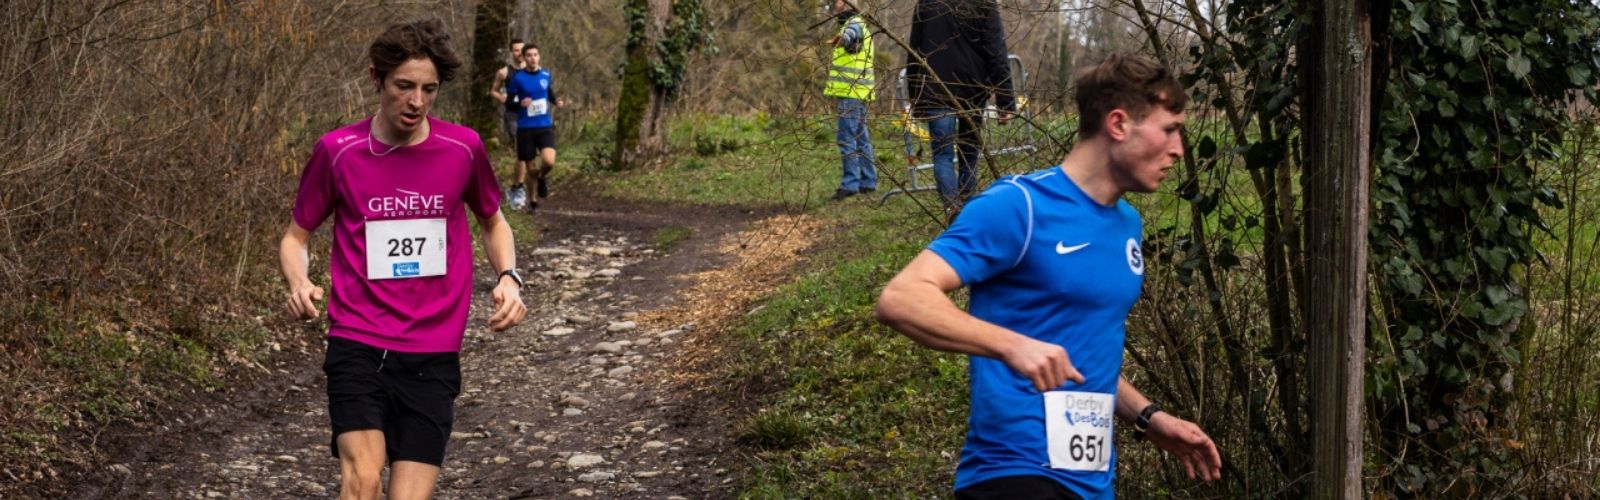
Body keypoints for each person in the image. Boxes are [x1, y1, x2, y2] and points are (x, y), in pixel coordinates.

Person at [875, 53, 1221, 499]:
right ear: (1118, 124)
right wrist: (1012, 344)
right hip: (1014, 475)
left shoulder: (1126, 225)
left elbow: (1078, 357)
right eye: (1170, 130)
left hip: (1090, 483)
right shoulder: (1019, 207)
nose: (1179, 149)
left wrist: (1149, 418)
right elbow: (902, 297)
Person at [278, 19, 528, 500]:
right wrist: (297, 281)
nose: (416, 101)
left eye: (429, 89)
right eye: (404, 86)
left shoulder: (462, 148)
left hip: (433, 350)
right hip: (358, 340)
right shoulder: (337, 152)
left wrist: (509, 277)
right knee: (363, 480)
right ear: (377, 80)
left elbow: (493, 221)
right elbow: (296, 237)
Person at [905, 0, 1015, 212]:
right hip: (972, 89)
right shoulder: (984, 3)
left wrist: (915, 95)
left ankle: (952, 210)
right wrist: (1006, 101)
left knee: (942, 154)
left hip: (935, 88)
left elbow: (914, 52)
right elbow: (996, 51)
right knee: (969, 153)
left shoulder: (927, 3)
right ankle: (966, 213)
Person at [824, 0, 878, 201]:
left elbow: (849, 37)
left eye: (839, 1)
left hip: (851, 92)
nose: (836, 5)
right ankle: (868, 181)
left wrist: (842, 39)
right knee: (861, 138)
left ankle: (850, 184)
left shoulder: (853, 24)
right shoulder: (860, 23)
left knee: (846, 138)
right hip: (860, 92)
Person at [505, 43, 563, 212]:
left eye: (535, 54)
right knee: (530, 168)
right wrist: (520, 103)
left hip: (545, 126)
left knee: (549, 161)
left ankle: (542, 178)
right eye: (529, 55)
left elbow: (548, 93)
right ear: (524, 58)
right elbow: (510, 102)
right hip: (525, 128)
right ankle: (533, 201)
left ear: (539, 56)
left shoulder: (546, 74)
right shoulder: (518, 78)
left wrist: (556, 101)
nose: (533, 58)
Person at [490, 38, 529, 210]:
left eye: (522, 50)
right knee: (522, 149)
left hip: (530, 115)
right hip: (513, 115)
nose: (519, 53)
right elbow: (493, 91)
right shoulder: (504, 72)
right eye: (516, 50)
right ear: (511, 52)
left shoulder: (533, 71)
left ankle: (515, 188)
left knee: (528, 155)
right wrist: (501, 97)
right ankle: (519, 190)